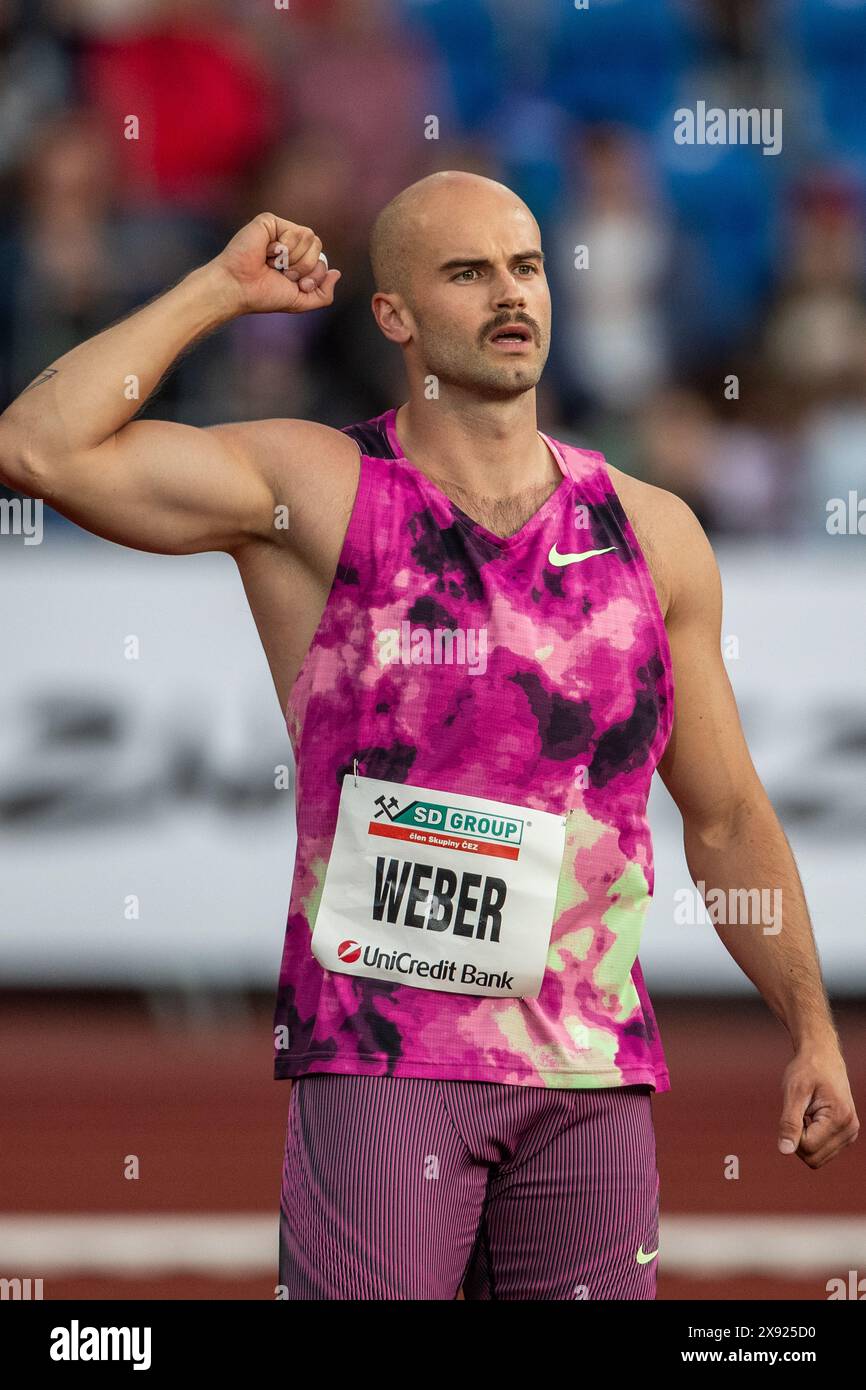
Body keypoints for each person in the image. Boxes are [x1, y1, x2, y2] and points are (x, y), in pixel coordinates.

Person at [0, 171, 858, 1301]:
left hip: (589, 1071)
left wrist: (809, 1028)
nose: (510, 296)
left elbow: (726, 813)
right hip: (382, 1060)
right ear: (395, 315)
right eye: (467, 273)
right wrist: (216, 288)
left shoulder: (652, 536)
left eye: (526, 266)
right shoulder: (315, 490)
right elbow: (38, 449)